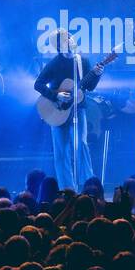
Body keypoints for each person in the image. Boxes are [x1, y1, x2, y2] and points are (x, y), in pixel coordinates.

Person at [34, 29, 105, 190]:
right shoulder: (54, 63)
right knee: (62, 151)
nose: (71, 40)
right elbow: (38, 84)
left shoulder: (83, 61)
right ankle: (68, 190)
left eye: (71, 37)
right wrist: (55, 96)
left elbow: (90, 86)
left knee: (82, 145)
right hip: (57, 111)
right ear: (59, 45)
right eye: (67, 38)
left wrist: (98, 74)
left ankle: (90, 187)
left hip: (78, 109)